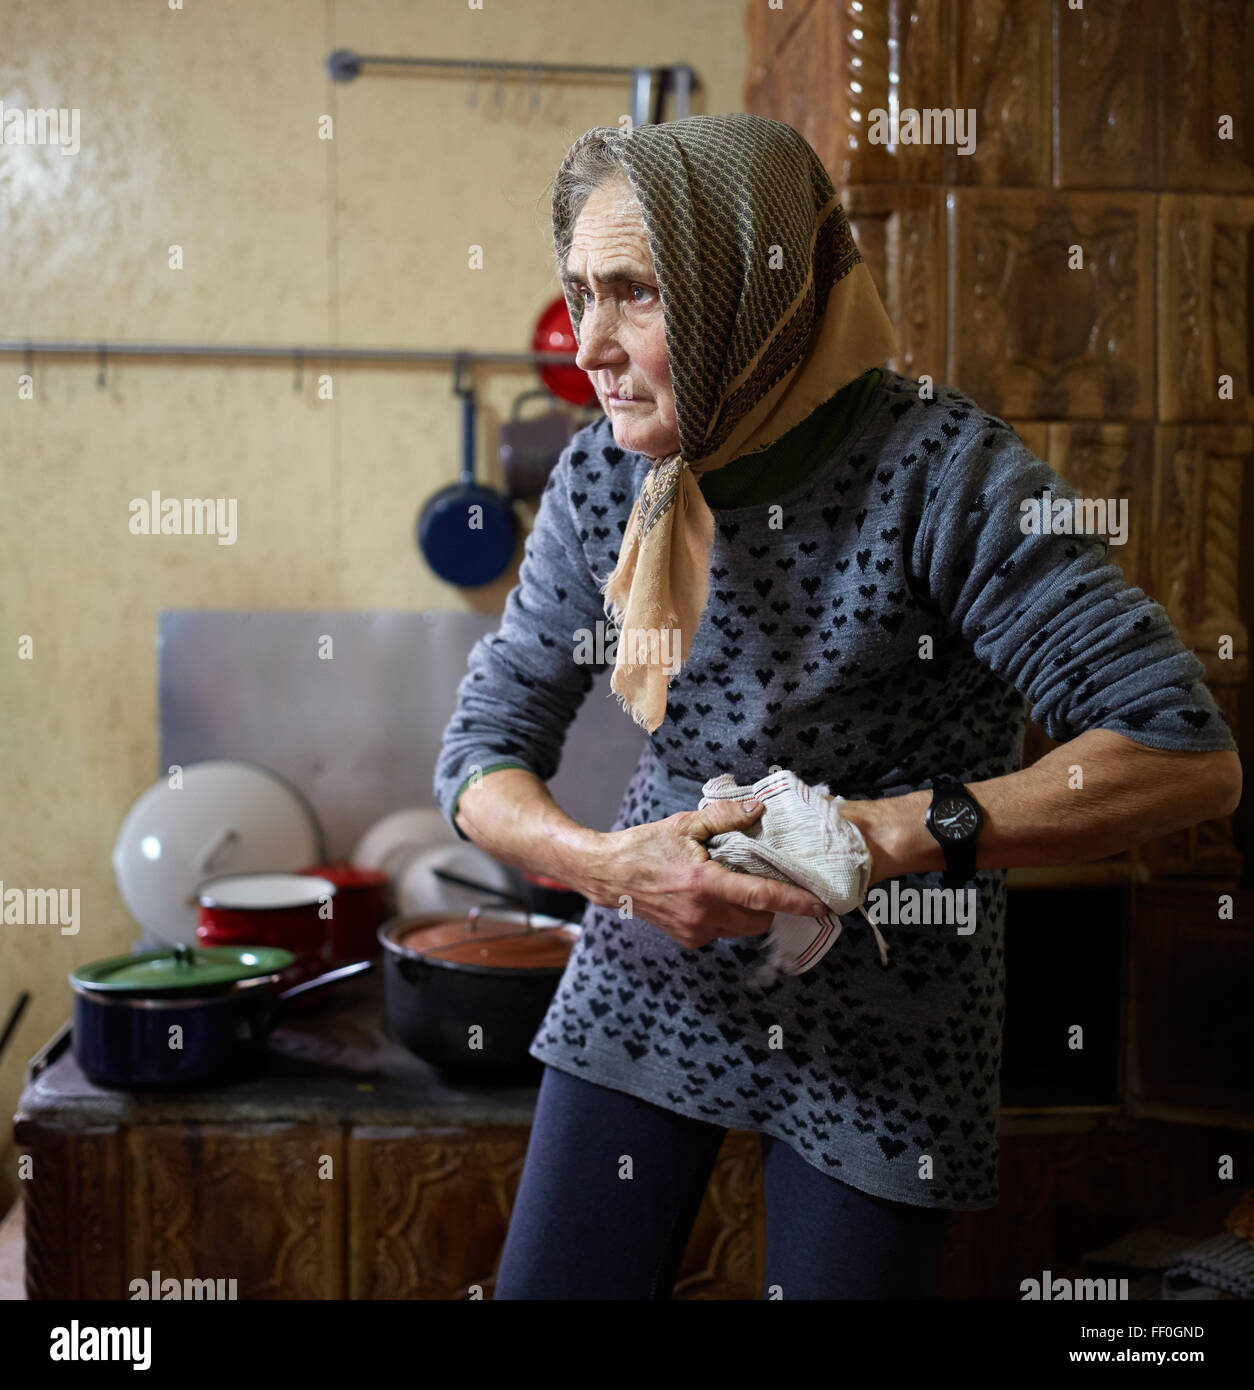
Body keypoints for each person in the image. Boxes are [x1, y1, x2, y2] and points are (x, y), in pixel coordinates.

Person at [433, 114, 1241, 1300]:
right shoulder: (608, 472)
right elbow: (479, 755)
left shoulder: (944, 473)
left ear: (745, 296)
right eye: (578, 293)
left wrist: (881, 835)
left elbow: (1183, 755)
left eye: (636, 295)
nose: (591, 345)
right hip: (657, 944)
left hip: (896, 997)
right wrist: (611, 867)